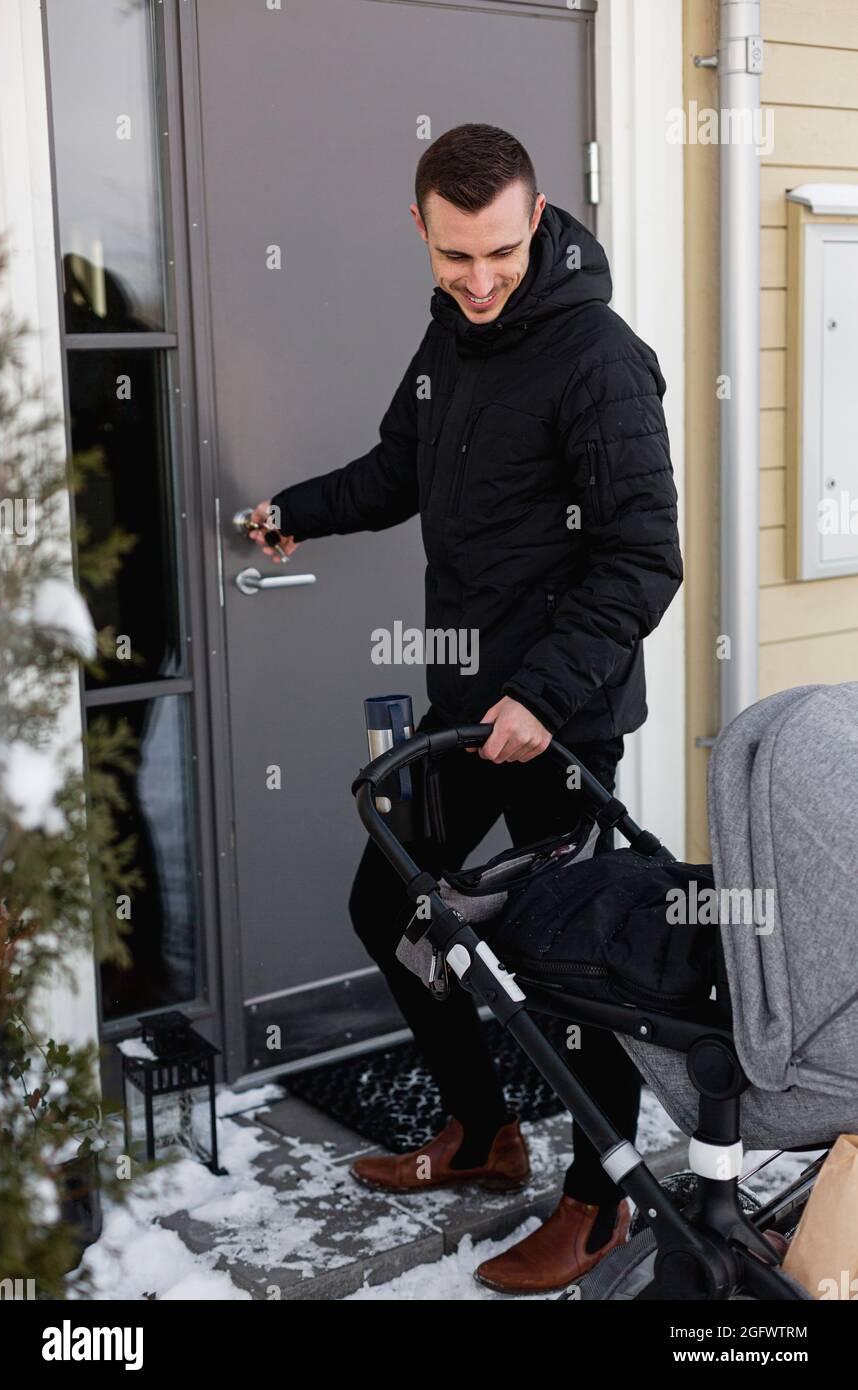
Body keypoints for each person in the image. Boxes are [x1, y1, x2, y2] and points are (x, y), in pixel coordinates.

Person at [248, 123, 682, 1295]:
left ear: (535, 222)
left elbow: (642, 557)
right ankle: (485, 1132)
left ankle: (601, 1197)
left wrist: (541, 695)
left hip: (558, 722)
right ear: (421, 232)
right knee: (388, 906)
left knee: (580, 965)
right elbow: (400, 466)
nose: (479, 280)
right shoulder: (450, 338)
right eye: (455, 256)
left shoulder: (597, 359)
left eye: (497, 252)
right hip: (461, 708)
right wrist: (300, 509)